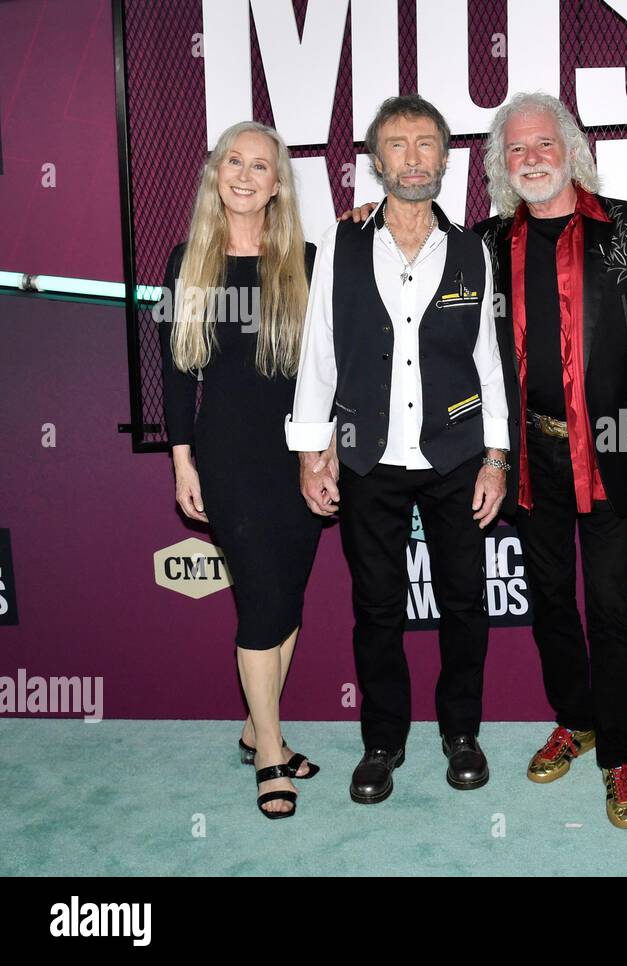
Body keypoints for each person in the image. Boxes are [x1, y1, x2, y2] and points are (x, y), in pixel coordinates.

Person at [286, 94, 512, 805]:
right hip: (365, 458)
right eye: (397, 145)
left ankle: (461, 734)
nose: (413, 157)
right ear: (376, 162)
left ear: (447, 159)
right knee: (377, 608)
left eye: (425, 144)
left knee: (464, 604)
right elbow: (320, 351)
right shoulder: (343, 242)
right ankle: (382, 743)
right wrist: (309, 449)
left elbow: (488, 361)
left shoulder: (475, 249)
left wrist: (497, 457)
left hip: (454, 453)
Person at [476, 92, 627, 829]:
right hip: (531, 453)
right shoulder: (489, 240)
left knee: (610, 607)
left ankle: (619, 754)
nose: (531, 159)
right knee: (552, 601)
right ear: (503, 164)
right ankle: (577, 716)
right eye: (516, 150)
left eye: (542, 144)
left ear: (571, 148)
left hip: (617, 449)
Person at [159, 120, 323, 819]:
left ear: (278, 182)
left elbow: (330, 367)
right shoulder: (186, 262)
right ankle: (271, 752)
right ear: (215, 174)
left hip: (301, 453)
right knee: (261, 603)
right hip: (226, 454)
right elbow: (173, 375)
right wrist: (181, 460)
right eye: (236, 161)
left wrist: (328, 450)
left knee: (286, 600)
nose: (248, 174)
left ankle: (257, 726)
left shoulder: (309, 259)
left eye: (263, 164)